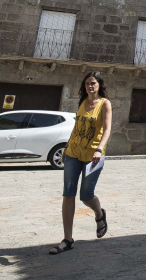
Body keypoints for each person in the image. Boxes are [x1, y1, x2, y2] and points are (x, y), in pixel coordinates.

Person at [49, 71, 113, 254]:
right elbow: (76, 128)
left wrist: (99, 149)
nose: (89, 86)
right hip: (73, 153)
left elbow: (107, 130)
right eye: (86, 84)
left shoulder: (104, 104)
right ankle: (67, 239)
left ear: (99, 85)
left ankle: (99, 213)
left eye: (93, 83)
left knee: (86, 195)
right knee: (68, 193)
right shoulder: (82, 103)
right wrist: (67, 148)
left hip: (93, 154)